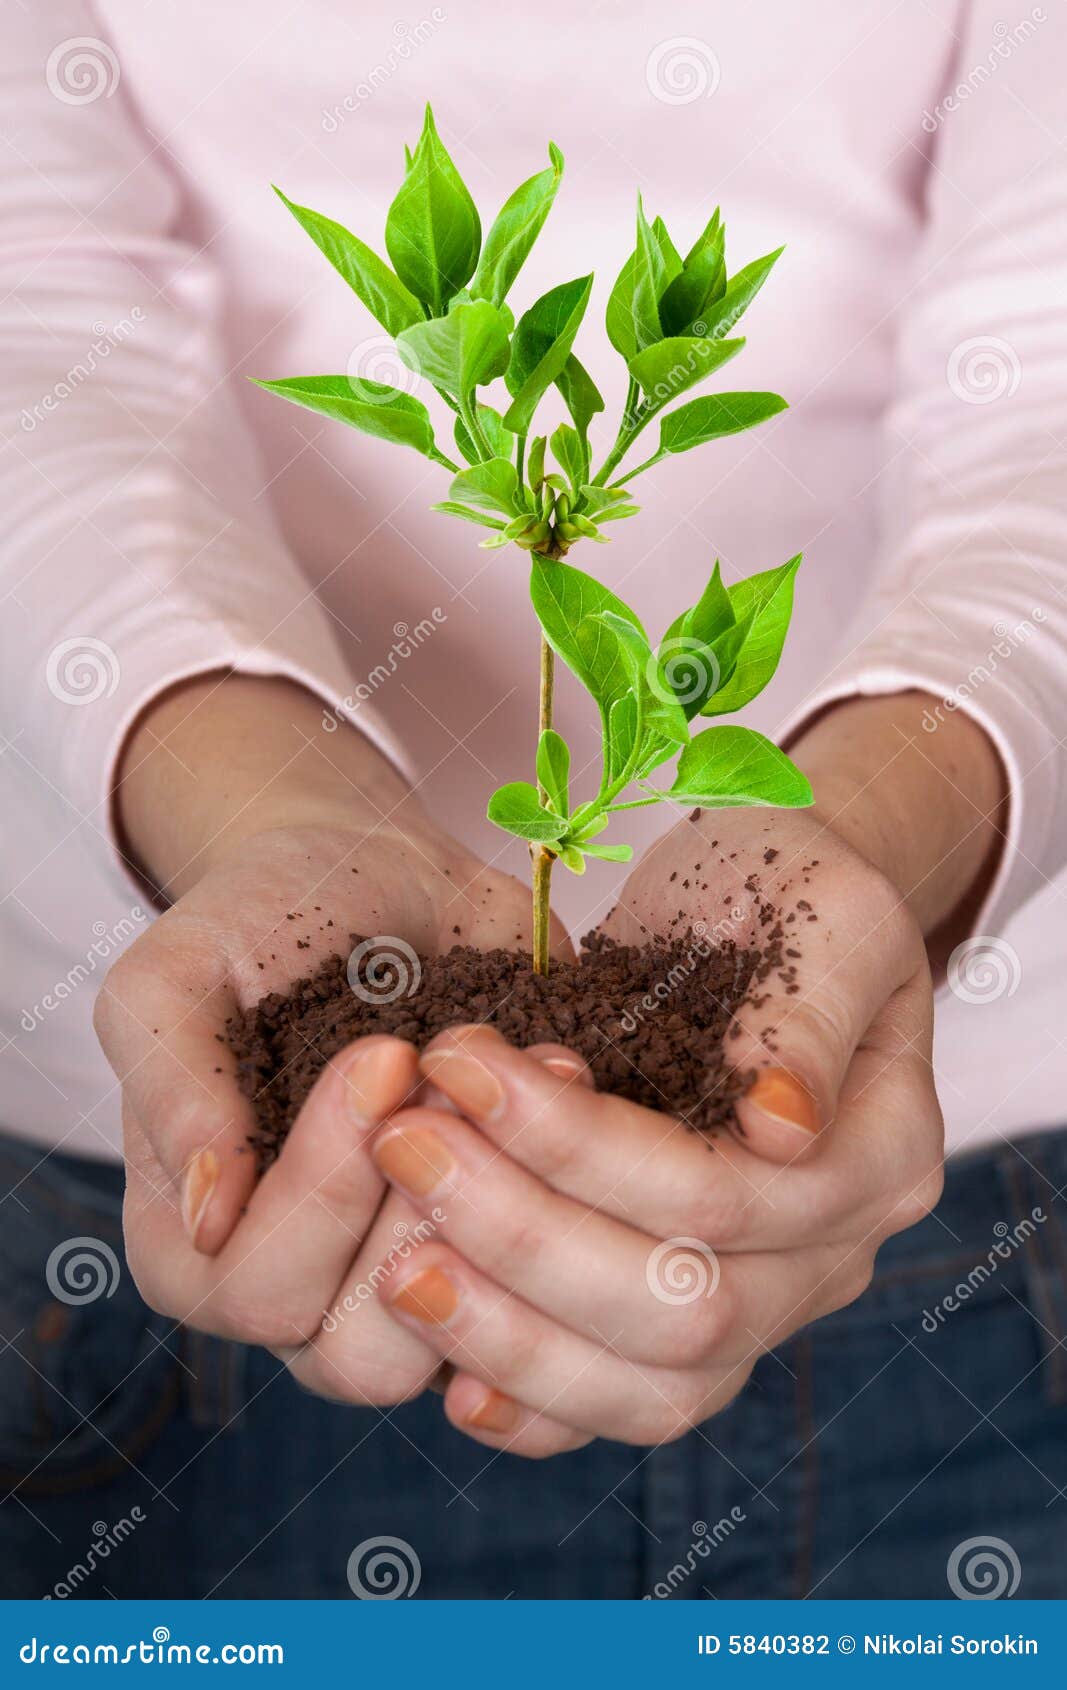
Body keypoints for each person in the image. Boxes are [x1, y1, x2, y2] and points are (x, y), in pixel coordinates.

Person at [2, 0, 1064, 1600]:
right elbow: (30, 310)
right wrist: (264, 806)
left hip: (976, 1204)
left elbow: (1047, 373)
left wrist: (869, 835)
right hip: (128, 1221)